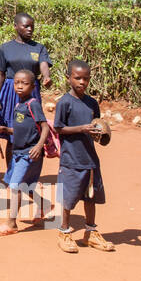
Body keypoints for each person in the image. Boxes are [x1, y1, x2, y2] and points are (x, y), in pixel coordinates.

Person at [53, 60, 114, 253]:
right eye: (77, 78)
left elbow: (96, 125)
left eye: (86, 78)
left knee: (91, 197)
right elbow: (58, 128)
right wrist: (82, 128)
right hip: (71, 158)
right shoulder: (64, 102)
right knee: (68, 197)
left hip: (89, 158)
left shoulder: (92, 103)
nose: (82, 82)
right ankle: (64, 232)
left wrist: (100, 134)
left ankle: (90, 232)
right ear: (68, 77)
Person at [0, 68, 51, 235]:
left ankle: (11, 223)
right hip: (18, 153)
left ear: (33, 87)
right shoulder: (18, 105)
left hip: (29, 153)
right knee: (25, 187)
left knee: (16, 187)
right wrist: (5, 130)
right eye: (17, 82)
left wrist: (39, 146)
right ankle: (45, 204)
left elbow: (44, 127)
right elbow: (22, 130)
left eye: (24, 83)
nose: (19, 86)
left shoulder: (34, 104)